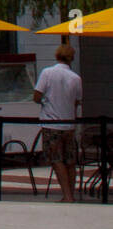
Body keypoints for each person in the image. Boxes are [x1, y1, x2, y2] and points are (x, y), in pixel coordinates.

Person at [34, 44, 82, 203]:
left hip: (51, 122)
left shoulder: (47, 73)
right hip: (69, 123)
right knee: (70, 160)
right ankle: (71, 194)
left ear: (57, 56)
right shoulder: (76, 78)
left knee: (56, 159)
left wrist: (45, 102)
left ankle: (66, 195)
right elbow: (76, 101)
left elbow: (37, 95)